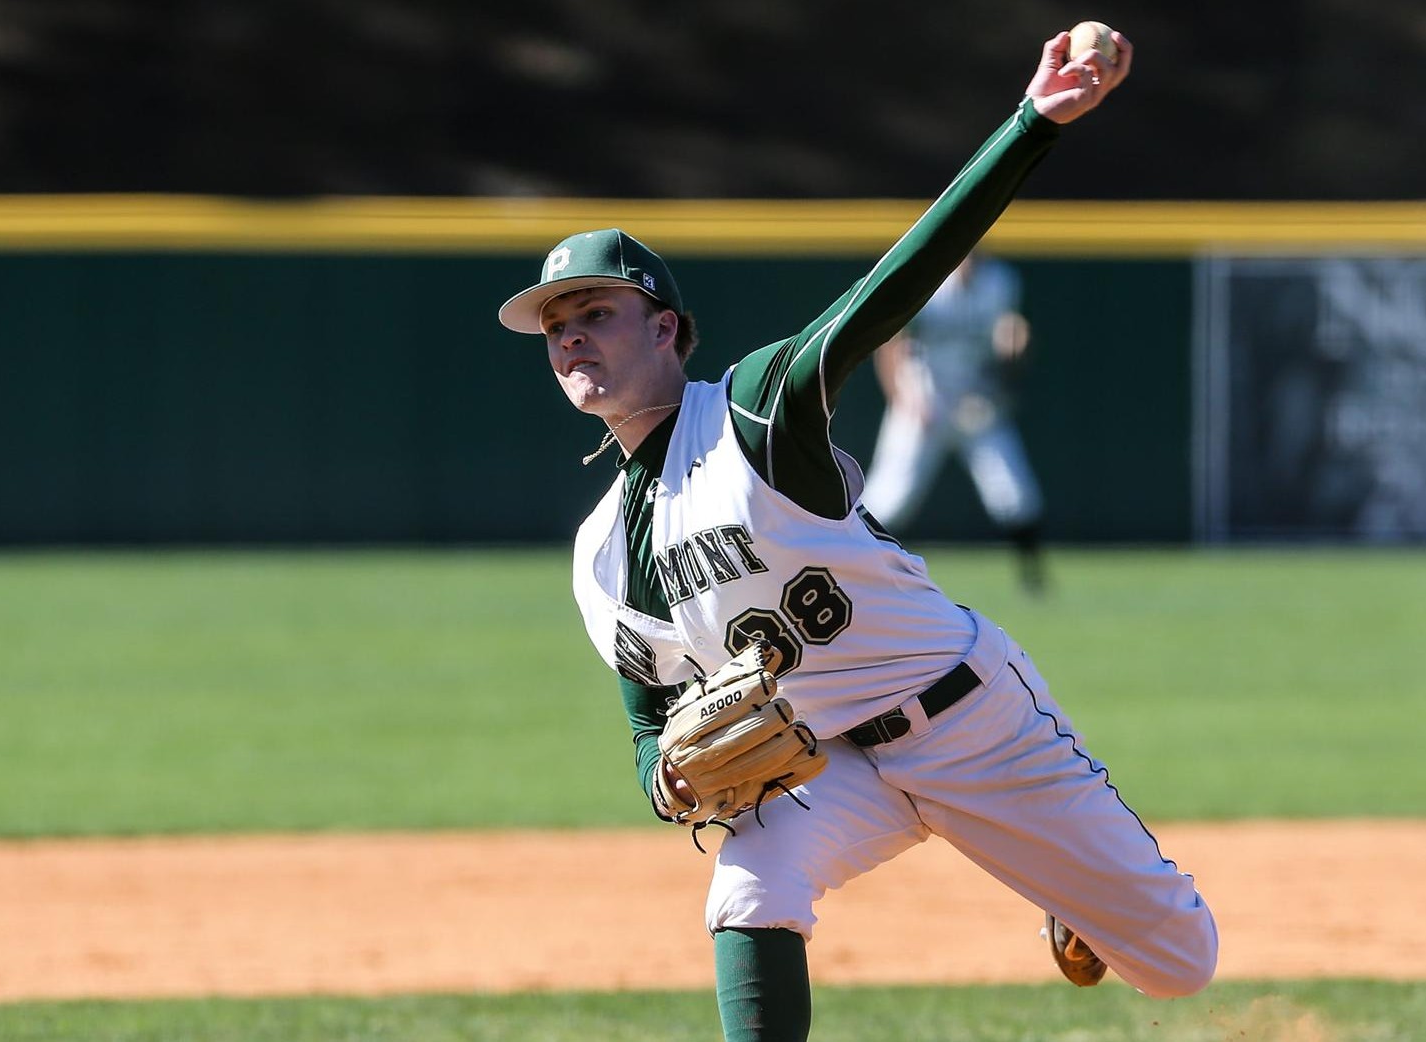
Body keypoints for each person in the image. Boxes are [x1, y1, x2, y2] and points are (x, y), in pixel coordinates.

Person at [497, 28, 1214, 1042]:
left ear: (662, 328)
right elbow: (646, 721)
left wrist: (1031, 125)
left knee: (1182, 966)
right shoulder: (599, 552)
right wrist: (663, 776)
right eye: (555, 326)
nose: (570, 336)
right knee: (747, 884)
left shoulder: (751, 410)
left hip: (970, 720)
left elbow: (892, 290)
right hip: (831, 767)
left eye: (594, 312)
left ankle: (1070, 893)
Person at [865, 249, 1049, 592]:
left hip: (976, 401)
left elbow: (1011, 341)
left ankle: (1034, 580)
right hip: (924, 398)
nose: (968, 257)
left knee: (1013, 490)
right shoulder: (928, 281)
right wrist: (903, 398)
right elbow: (891, 344)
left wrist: (1015, 348)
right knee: (890, 496)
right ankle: (857, 568)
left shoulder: (1001, 280)